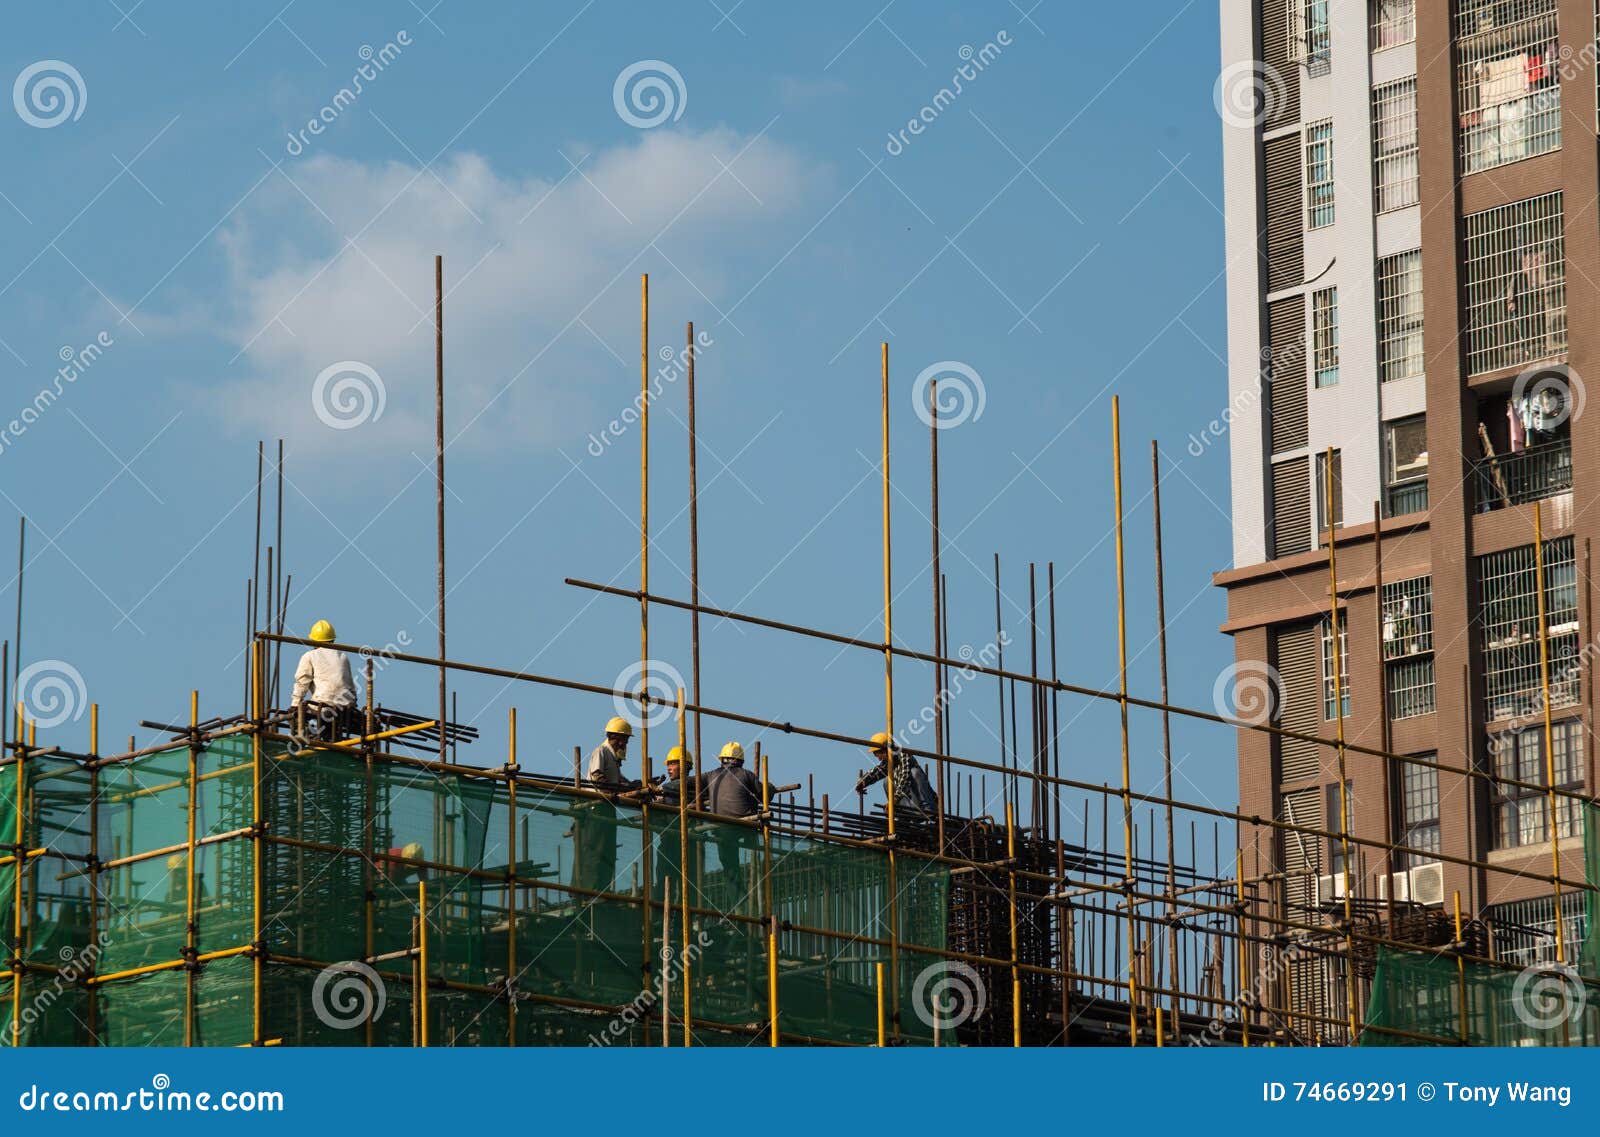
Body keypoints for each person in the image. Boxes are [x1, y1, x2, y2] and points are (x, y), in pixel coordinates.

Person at [701, 741, 769, 912]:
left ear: (722, 759)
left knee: (730, 869)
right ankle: (751, 903)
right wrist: (771, 789)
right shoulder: (747, 775)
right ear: (740, 761)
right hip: (744, 825)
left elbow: (686, 783)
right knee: (756, 860)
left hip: (721, 829)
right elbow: (764, 795)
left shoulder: (710, 775)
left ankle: (739, 906)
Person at [573, 717, 636, 898]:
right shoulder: (601, 752)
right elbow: (598, 777)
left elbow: (619, 780)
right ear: (612, 737)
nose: (624, 743)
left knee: (607, 851)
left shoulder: (613, 758)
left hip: (606, 807)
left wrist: (634, 786)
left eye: (626, 740)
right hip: (596, 807)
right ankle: (591, 890)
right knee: (595, 851)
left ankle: (602, 890)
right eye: (623, 739)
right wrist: (615, 792)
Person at [291, 620, 357, 738]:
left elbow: (302, 683)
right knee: (330, 733)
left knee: (293, 718)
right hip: (344, 707)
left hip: (323, 705)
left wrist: (295, 705)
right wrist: (352, 705)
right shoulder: (343, 656)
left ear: (313, 641)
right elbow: (351, 687)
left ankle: (301, 740)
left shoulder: (310, 656)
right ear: (333, 639)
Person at [856, 731, 938, 822]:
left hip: (920, 803)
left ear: (885, 750)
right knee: (887, 781)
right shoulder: (889, 761)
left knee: (915, 772)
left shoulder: (903, 755)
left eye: (878, 754)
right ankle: (902, 814)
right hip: (910, 806)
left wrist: (893, 801)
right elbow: (877, 771)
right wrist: (863, 782)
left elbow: (904, 777)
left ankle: (928, 809)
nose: (878, 758)